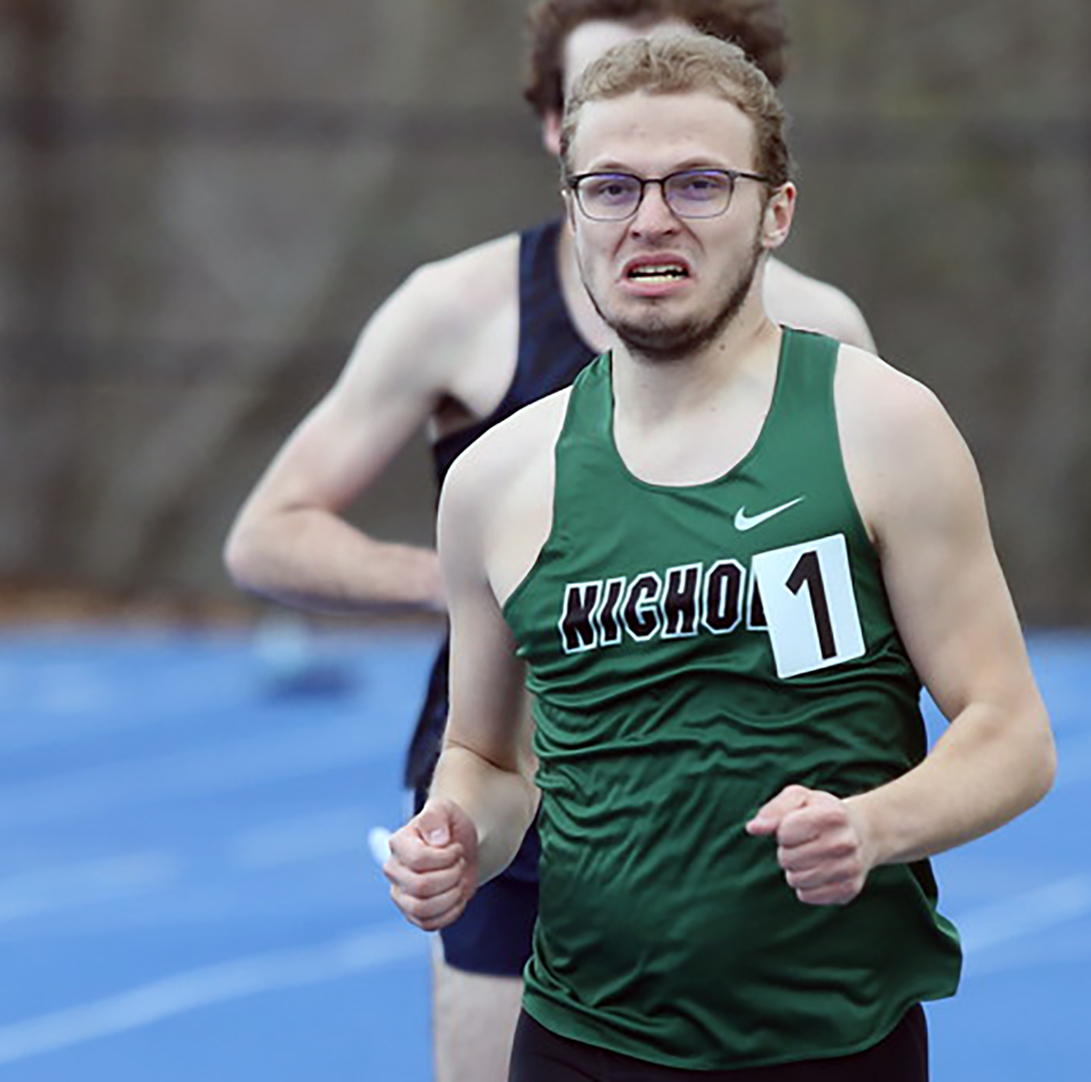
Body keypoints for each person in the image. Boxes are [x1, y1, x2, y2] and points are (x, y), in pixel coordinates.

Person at [384, 32, 1055, 1081]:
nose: (652, 218)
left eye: (698, 183)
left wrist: (873, 824)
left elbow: (1012, 734)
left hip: (832, 1042)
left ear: (775, 211)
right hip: (579, 1040)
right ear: (574, 214)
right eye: (612, 187)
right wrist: (457, 829)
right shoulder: (497, 481)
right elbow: (489, 758)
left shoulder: (881, 427)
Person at [223, 3, 873, 1079]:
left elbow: (835, 610)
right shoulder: (457, 308)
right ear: (554, 132)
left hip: (737, 805)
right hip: (514, 777)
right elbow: (267, 533)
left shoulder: (825, 337)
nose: (648, 135)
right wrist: (490, 586)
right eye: (600, 101)